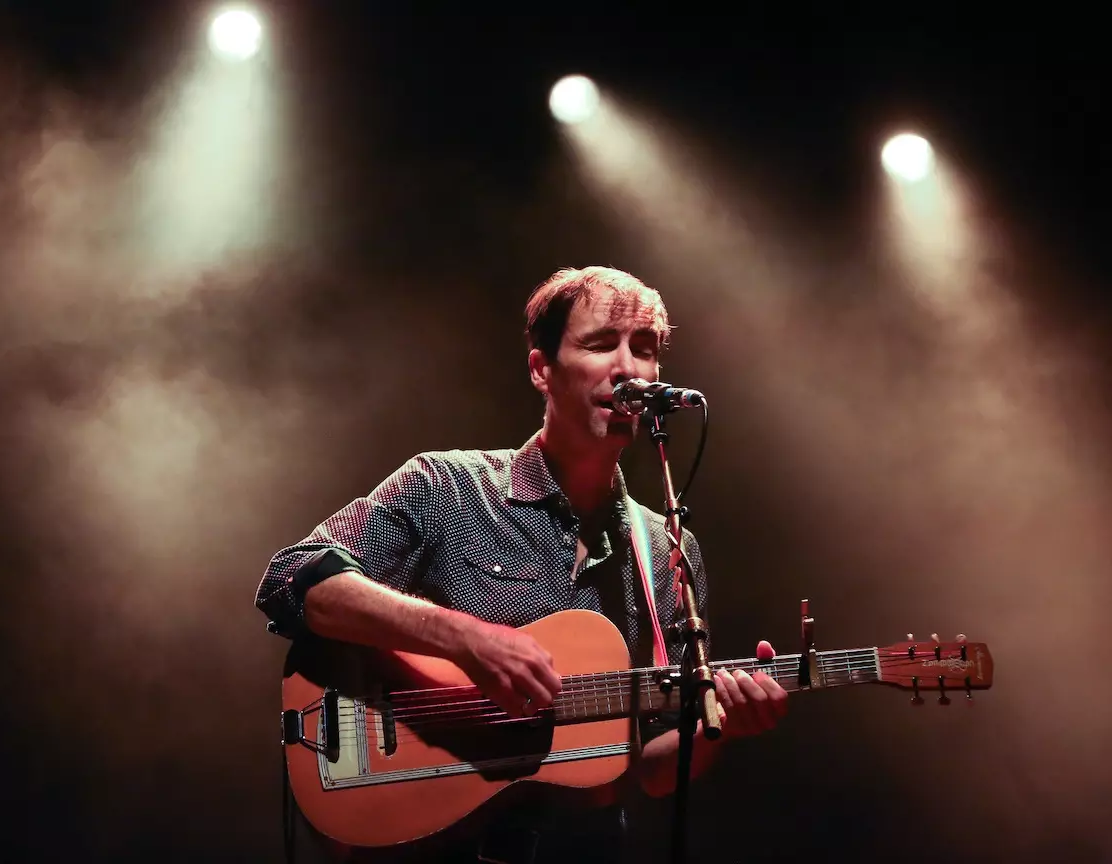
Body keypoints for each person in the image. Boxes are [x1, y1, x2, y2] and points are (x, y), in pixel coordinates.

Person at [257, 266, 788, 863]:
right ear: (542, 370)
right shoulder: (446, 486)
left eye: (644, 349)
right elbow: (292, 581)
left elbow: (656, 768)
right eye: (600, 343)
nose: (628, 367)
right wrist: (468, 640)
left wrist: (719, 731)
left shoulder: (666, 548)